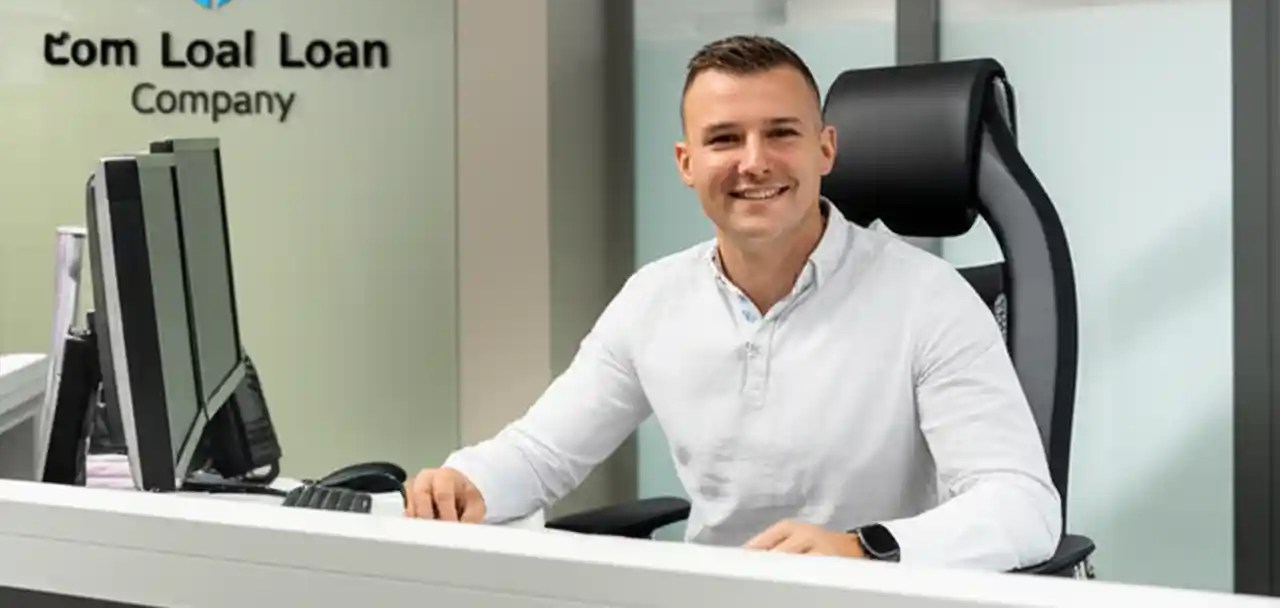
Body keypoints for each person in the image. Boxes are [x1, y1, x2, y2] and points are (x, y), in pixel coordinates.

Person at [405, 35, 1061, 571]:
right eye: (724, 139)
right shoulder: (654, 299)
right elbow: (542, 454)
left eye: (781, 133)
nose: (754, 162)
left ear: (825, 150)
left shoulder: (928, 299)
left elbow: (1022, 505)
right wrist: (465, 482)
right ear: (686, 162)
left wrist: (859, 550)